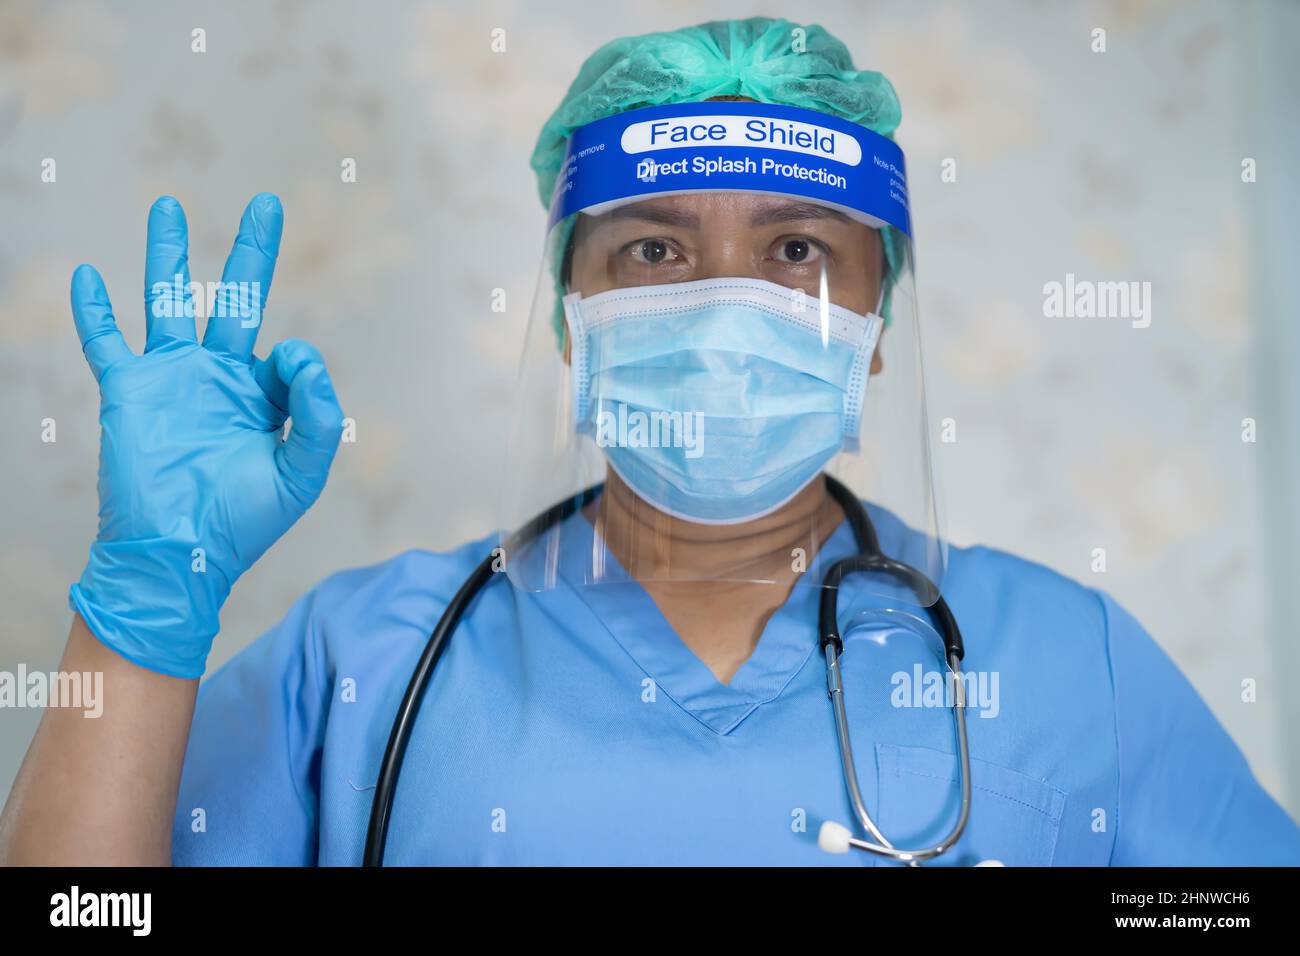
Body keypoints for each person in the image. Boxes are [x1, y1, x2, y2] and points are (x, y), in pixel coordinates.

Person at [2, 17, 1297, 867]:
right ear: (576, 316)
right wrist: (139, 610)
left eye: (796, 248)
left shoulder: (1075, 667)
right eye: (655, 249)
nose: (724, 300)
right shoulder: (365, 666)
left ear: (875, 317)